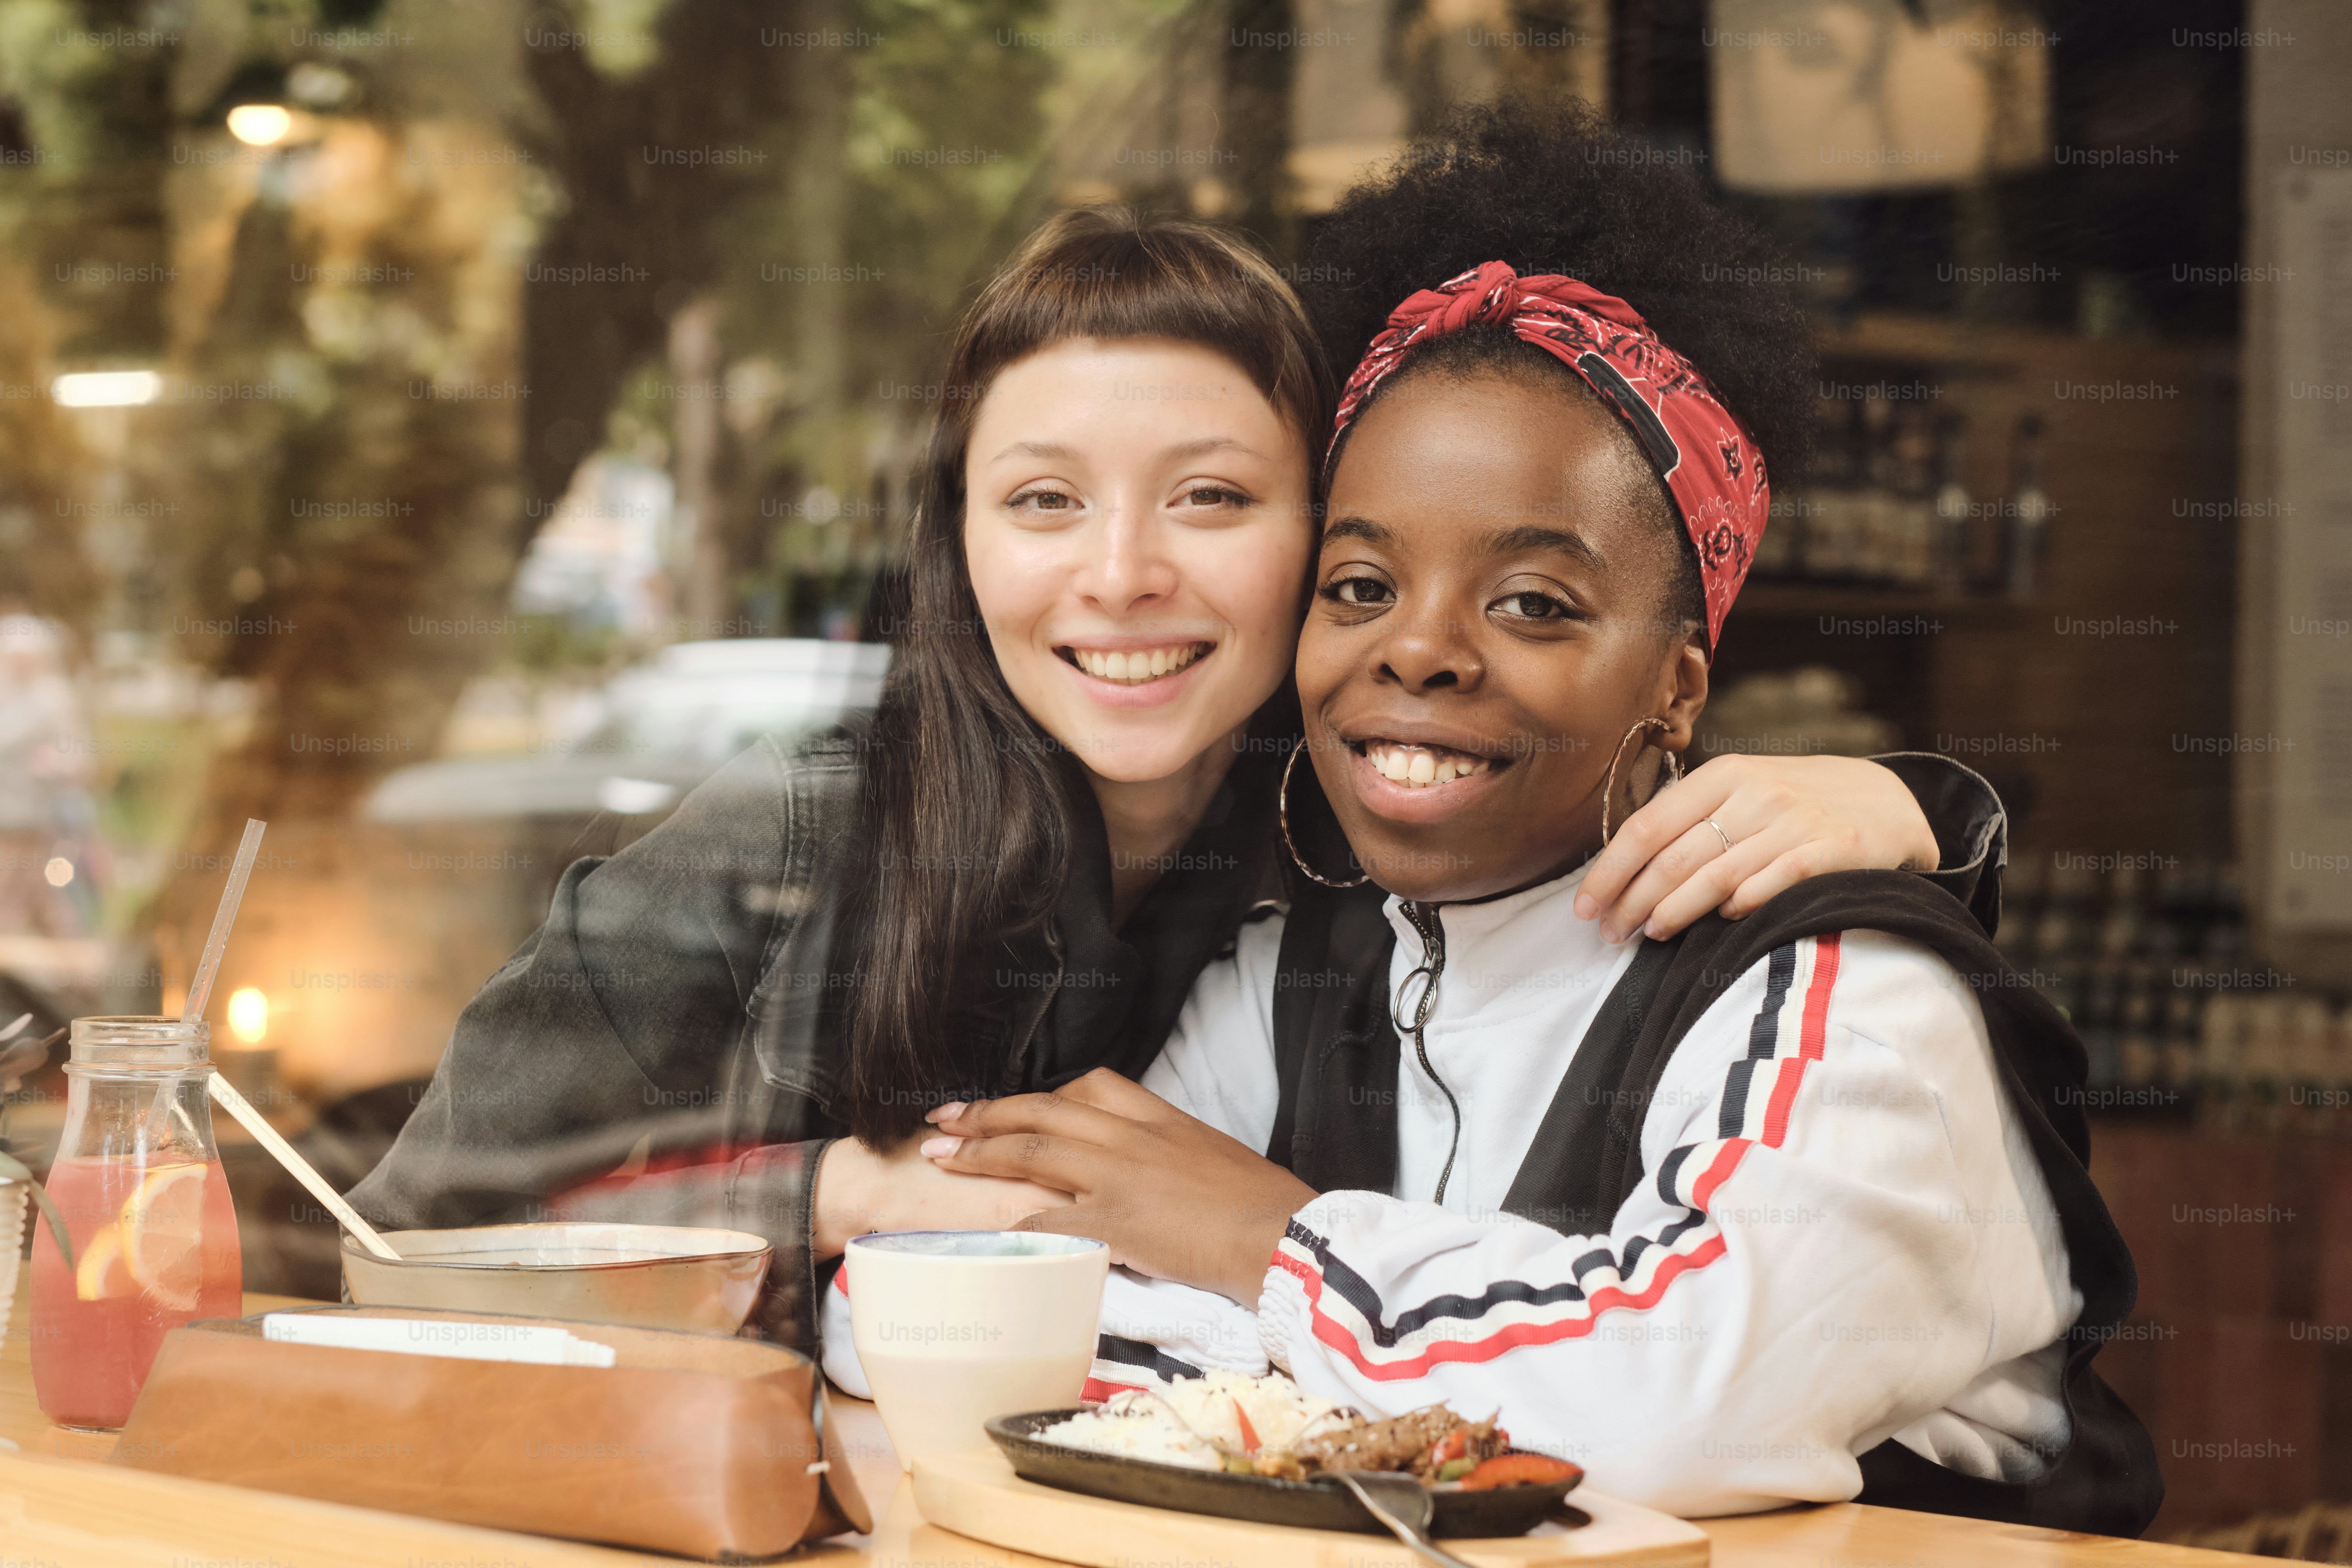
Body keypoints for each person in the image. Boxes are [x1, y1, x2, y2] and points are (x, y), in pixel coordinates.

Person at [351, 205, 2001, 1352]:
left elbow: (1599, 762)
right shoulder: (797, 835)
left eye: (1211, 499)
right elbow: (398, 1250)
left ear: (1325, 542)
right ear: (962, 546)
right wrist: (836, 1191)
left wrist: (1932, 809)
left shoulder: (1360, 829)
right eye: (1045, 502)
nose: (1122, 575)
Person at [907, 102, 2161, 1533]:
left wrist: (1267, 1243)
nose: (1420, 653)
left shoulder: (1843, 997)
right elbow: (1047, 1325)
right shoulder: (1295, 972)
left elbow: (1679, 1402)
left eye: (1533, 604)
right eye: (1362, 586)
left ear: (1682, 681)